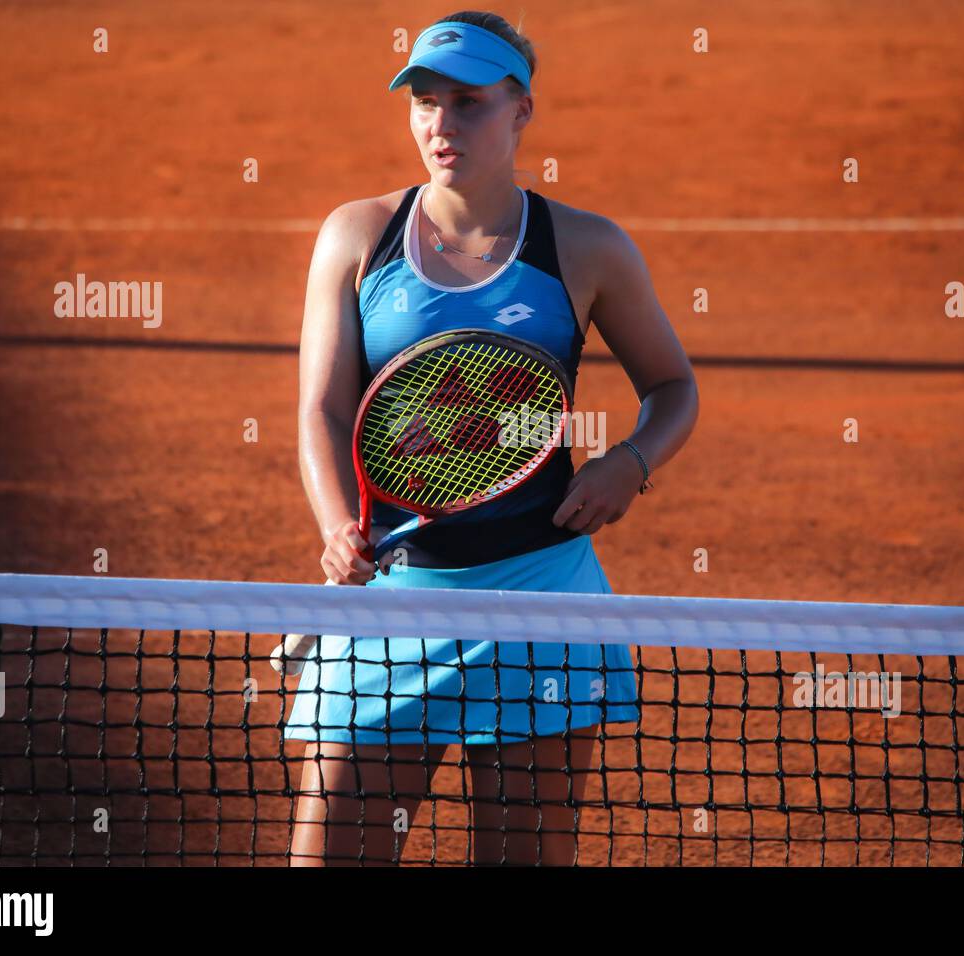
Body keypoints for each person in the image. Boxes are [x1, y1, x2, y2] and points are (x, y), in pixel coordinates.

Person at [279, 10, 698, 866]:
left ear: (522, 110)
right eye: (424, 102)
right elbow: (323, 408)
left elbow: (673, 387)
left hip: (541, 599)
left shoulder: (586, 248)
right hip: (393, 601)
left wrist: (631, 461)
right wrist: (334, 526)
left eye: (467, 102)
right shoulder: (358, 237)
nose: (440, 125)